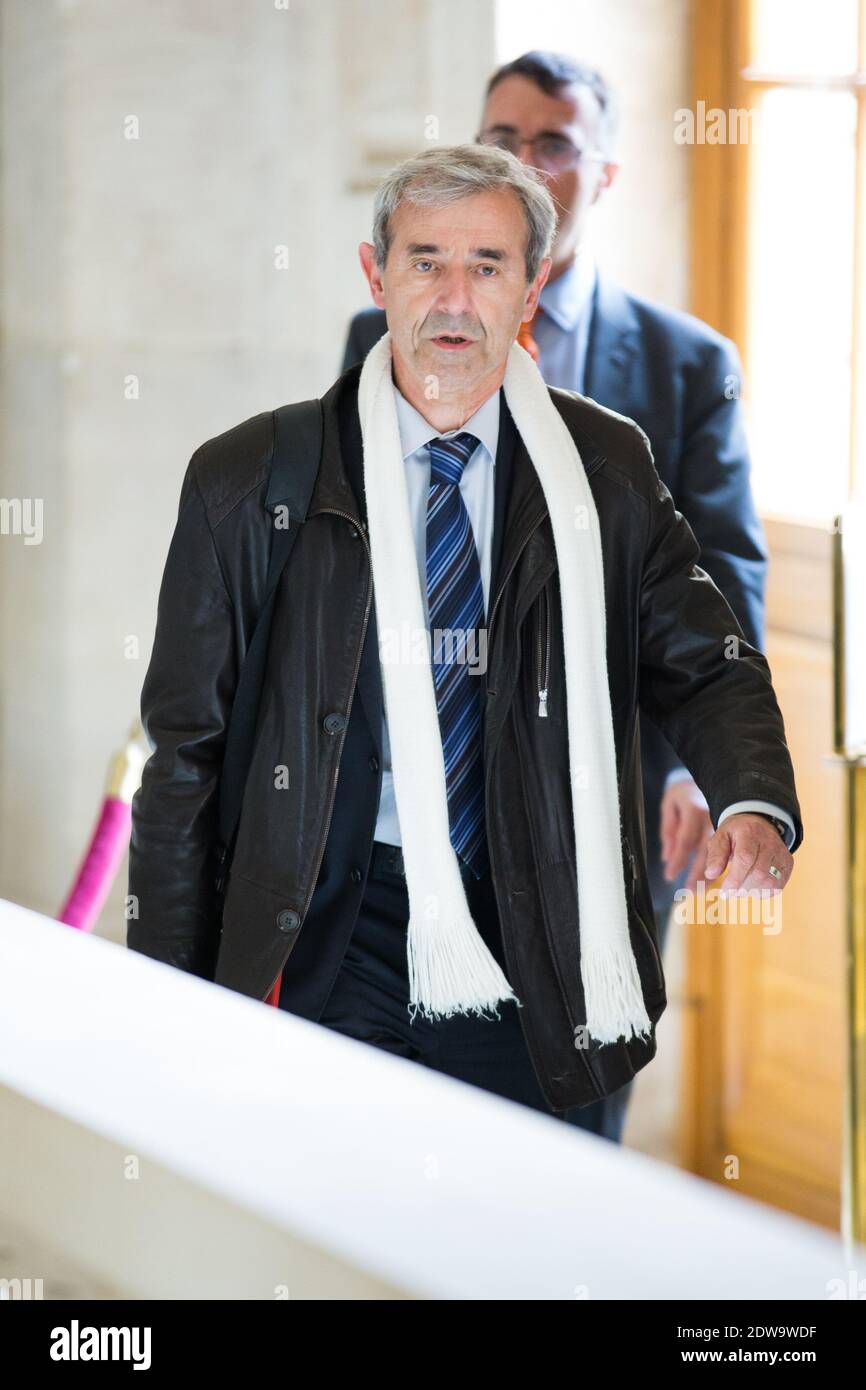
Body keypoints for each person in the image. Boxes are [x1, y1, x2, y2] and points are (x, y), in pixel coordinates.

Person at [129, 144, 801, 1143]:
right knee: (336, 1216)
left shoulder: (602, 466)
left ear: (531, 285)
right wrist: (168, 996)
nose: (453, 297)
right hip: (325, 922)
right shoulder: (250, 478)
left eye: (486, 265)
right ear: (375, 276)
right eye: (424, 260)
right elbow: (186, 755)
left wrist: (748, 795)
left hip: (536, 920)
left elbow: (702, 660)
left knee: (512, 1233)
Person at [340, 52, 772, 1139]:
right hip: (419, 810)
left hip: (601, 800)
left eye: (552, 146)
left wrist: (691, 768)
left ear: (605, 173)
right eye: (502, 137)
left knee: (568, 1102)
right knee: (393, 1106)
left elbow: (718, 576)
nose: (522, 162)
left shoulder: (681, 365)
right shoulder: (375, 339)